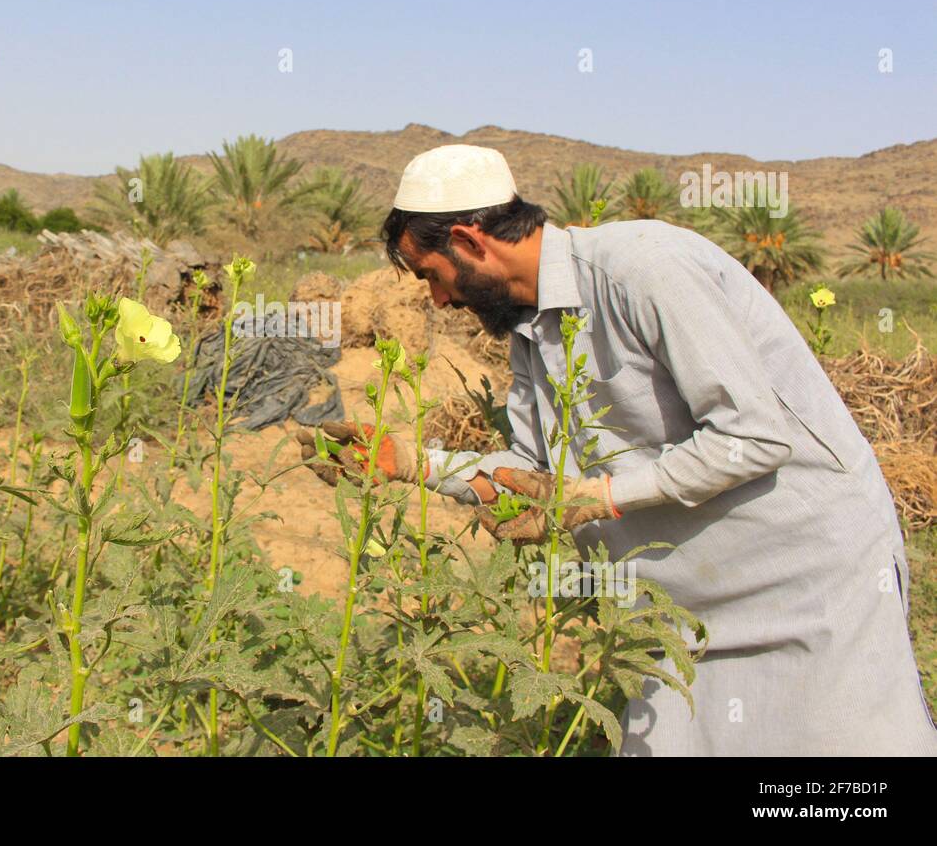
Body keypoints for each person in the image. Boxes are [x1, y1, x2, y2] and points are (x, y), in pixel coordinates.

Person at [297, 143, 937, 755]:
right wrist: (410, 464)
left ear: (468, 241)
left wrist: (598, 495)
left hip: (804, 586)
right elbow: (536, 479)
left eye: (434, 277)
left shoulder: (645, 268)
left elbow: (753, 435)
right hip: (678, 613)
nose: (439, 300)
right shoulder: (530, 332)